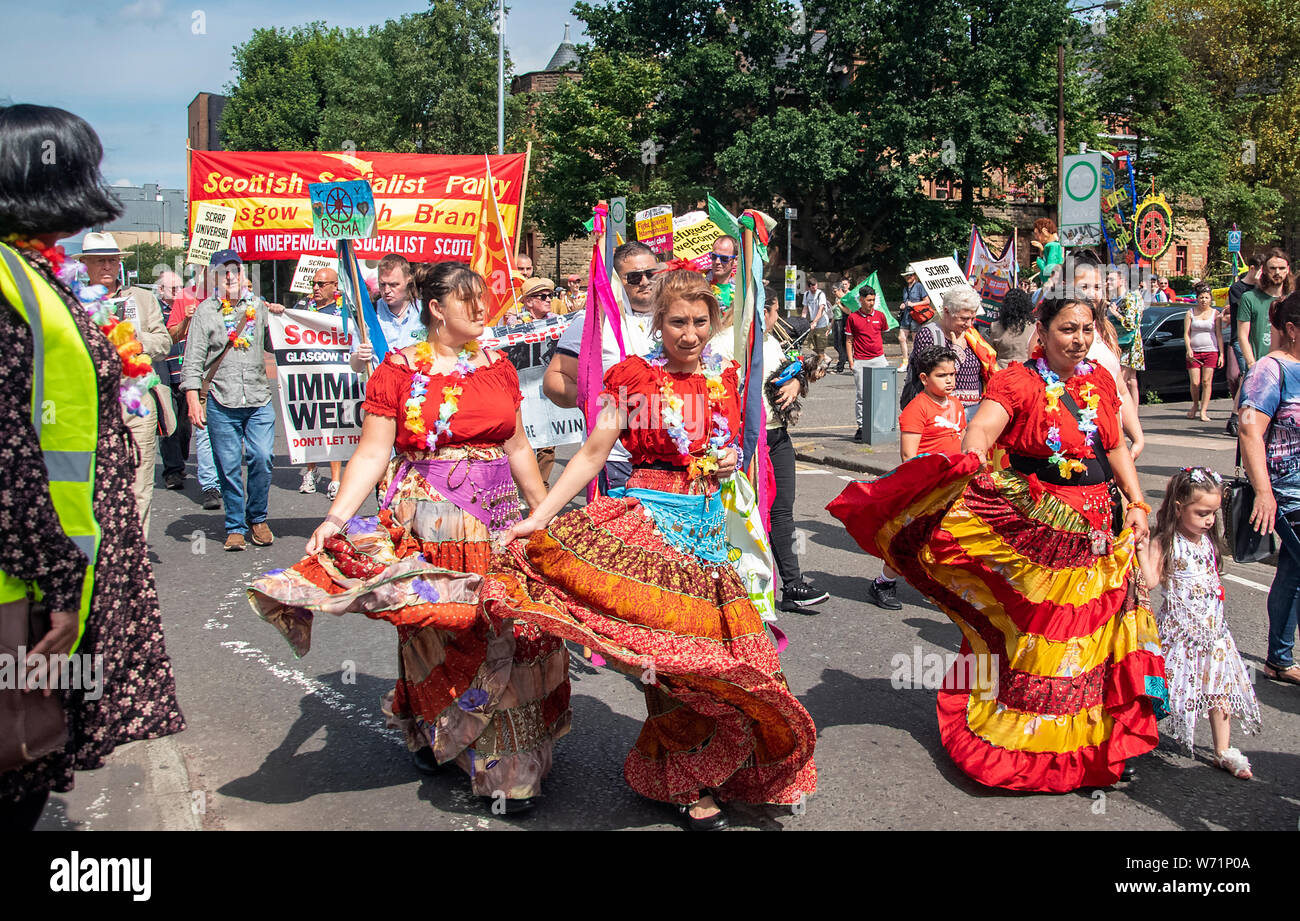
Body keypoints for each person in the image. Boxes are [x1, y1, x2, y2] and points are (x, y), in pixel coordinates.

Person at [484, 270, 818, 830]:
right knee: (668, 662)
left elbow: (731, 445)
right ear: (657, 323)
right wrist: (539, 518)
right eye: (677, 322)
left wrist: (732, 460)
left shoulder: (728, 377)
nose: (689, 334)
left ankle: (708, 765)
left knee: (727, 659)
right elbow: (592, 454)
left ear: (715, 323)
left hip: (710, 532)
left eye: (700, 322)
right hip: (650, 525)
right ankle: (691, 782)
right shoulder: (633, 379)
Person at [250, 261, 567, 810]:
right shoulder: (397, 371)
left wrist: (543, 516)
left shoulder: (499, 367)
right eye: (468, 299)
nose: (481, 306)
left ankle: (505, 770)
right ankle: (432, 728)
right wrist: (334, 519)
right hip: (429, 523)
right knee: (435, 631)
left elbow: (518, 447)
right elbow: (373, 452)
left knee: (507, 631)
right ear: (437, 308)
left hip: (494, 521)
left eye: (484, 296)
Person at [832, 291, 1167, 792]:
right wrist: (975, 467)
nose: (1078, 340)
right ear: (1043, 332)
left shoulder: (1099, 379)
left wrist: (1138, 503)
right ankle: (1034, 743)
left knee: (1096, 635)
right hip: (1045, 529)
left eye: (1086, 330)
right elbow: (981, 430)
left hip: (1101, 526)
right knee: (1046, 635)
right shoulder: (1018, 380)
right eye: (1067, 330)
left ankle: (1094, 741)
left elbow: (1114, 445)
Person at [0, 103, 184, 830]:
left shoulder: (32, 273)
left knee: (30, 758)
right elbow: (17, 455)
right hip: (31, 586)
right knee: (16, 756)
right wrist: (56, 583)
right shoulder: (15, 292)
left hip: (55, 570)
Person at [1138, 467, 1260, 778]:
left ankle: (1223, 750)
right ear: (1179, 506)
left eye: (1213, 514)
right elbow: (1150, 581)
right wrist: (1140, 549)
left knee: (1220, 690)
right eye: (1202, 512)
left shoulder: (1208, 542)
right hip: (1178, 634)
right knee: (1161, 689)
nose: (1208, 520)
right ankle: (1135, 737)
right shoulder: (1165, 542)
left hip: (1214, 634)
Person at [181, 249, 282, 552]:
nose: (229, 276)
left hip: (258, 397)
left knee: (262, 458)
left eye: (234, 270)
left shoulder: (259, 308)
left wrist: (284, 320)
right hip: (220, 399)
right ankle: (236, 525)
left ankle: (258, 518)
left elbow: (274, 345)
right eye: (222, 271)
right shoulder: (205, 312)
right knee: (228, 467)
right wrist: (192, 398)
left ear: (242, 274)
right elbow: (193, 359)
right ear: (213, 276)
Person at [78, 232, 174, 538]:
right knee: (95, 482)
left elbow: (164, 342)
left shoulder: (142, 299)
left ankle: (135, 551)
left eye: (112, 260)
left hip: (137, 399)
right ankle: (102, 549)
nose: (107, 266)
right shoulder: (74, 301)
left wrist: (137, 337)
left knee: (139, 483)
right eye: (99, 261)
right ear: (86, 266)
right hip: (90, 402)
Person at [544, 240, 659, 493]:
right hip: (614, 459)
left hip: (666, 458)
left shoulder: (676, 318)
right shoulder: (593, 320)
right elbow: (554, 380)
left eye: (651, 273)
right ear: (618, 281)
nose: (645, 281)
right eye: (634, 277)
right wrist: (604, 402)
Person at [866, 345, 964, 611]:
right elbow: (909, 457)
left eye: (952, 374)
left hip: (955, 486)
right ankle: (883, 583)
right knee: (909, 541)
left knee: (954, 540)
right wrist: (929, 486)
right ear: (924, 378)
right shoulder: (917, 409)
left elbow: (962, 442)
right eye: (942, 375)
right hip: (926, 490)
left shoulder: (956, 404)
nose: (950, 380)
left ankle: (948, 587)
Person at [1238, 290, 1300, 686]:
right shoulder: (1269, 370)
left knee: (1293, 572)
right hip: (1288, 493)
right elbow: (1249, 427)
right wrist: (1264, 491)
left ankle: (1279, 658)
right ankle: (1279, 656)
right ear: (1292, 329)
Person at [762, 292, 829, 613]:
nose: (775, 317)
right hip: (746, 439)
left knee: (782, 510)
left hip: (778, 435)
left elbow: (789, 375)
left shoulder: (772, 343)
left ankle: (792, 585)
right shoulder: (726, 341)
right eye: (775, 310)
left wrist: (797, 383)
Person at [901, 286, 996, 421]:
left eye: (972, 318)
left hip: (974, 410)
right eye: (963, 318)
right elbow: (930, 375)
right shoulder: (929, 334)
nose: (969, 324)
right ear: (947, 311)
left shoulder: (971, 335)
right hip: (942, 412)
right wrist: (957, 351)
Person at [293, 267, 347, 498]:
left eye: (321, 284)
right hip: (308, 374)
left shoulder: (344, 310)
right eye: (313, 283)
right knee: (310, 423)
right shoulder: (302, 308)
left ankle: (335, 479)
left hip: (335, 374)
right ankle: (311, 471)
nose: (315, 288)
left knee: (333, 424)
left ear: (335, 286)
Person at [350, 253, 425, 372]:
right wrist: (359, 357)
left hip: (415, 386)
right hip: (380, 386)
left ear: (408, 280)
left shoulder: (425, 312)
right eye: (382, 284)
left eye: (394, 284)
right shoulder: (369, 315)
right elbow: (355, 367)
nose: (387, 290)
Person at [157, 269, 192, 491]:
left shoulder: (187, 306)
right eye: (173, 288)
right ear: (161, 290)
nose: (179, 292)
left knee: (185, 426)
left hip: (185, 373)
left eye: (181, 287)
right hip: (165, 372)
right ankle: (172, 471)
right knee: (169, 425)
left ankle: (180, 460)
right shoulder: (156, 311)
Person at [843, 287, 891, 441]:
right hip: (861, 360)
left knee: (882, 394)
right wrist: (851, 361)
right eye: (869, 300)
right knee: (862, 395)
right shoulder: (853, 318)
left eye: (873, 300)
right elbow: (849, 341)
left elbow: (882, 333)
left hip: (879, 359)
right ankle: (862, 426)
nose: (872, 303)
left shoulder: (880, 316)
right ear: (861, 300)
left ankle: (878, 424)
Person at [1225, 254, 1262, 436]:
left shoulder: (1263, 290)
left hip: (1259, 338)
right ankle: (1236, 418)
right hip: (1240, 340)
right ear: (1253, 268)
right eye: (1262, 271)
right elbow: (1244, 313)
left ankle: (1244, 417)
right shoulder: (1238, 289)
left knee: (1250, 378)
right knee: (1250, 376)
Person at [1238, 248, 1292, 375]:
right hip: (1259, 367)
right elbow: (1242, 335)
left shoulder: (1292, 300)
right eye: (1272, 268)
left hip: (1288, 368)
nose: (1277, 272)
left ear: (1288, 270)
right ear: (1264, 270)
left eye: (1281, 268)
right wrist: (1252, 364)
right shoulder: (1249, 298)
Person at [1183, 281, 1224, 422]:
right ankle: (1195, 405)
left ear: (1210, 299)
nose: (1204, 300)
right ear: (1197, 298)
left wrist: (1221, 354)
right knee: (1195, 382)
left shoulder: (1215, 313)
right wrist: (1188, 349)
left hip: (1211, 350)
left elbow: (1219, 334)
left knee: (1207, 382)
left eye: (1206, 297)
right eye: (1201, 297)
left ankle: (1204, 410)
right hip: (1194, 351)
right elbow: (1186, 333)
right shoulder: (1190, 313)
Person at [1106, 266, 1145, 409]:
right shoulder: (1120, 298)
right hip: (1124, 342)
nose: (1107, 282)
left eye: (1111, 279)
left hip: (1128, 343)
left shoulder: (1129, 297)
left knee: (1121, 380)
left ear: (1121, 281)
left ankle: (1122, 413)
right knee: (1131, 380)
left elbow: (1130, 324)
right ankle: (1133, 412)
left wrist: (1115, 313)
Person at [986, 287, 1035, 369]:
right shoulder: (1033, 327)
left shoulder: (995, 326)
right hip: (1026, 371)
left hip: (1002, 371)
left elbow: (991, 352)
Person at [898, 266, 928, 369]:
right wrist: (904, 304)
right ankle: (905, 361)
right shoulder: (905, 289)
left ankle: (915, 361)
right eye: (907, 276)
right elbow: (906, 301)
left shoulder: (919, 286)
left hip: (915, 316)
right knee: (902, 338)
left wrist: (913, 304)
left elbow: (927, 301)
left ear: (914, 276)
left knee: (916, 339)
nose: (908, 277)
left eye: (910, 275)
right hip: (906, 315)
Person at [802, 275, 831, 365]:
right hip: (812, 323)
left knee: (820, 346)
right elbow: (805, 308)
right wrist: (802, 320)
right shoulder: (806, 294)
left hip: (821, 323)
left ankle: (821, 364)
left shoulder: (820, 294)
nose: (814, 288)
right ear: (809, 286)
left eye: (815, 285)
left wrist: (815, 322)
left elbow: (821, 309)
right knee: (807, 342)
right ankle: (826, 358)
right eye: (812, 286)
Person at [706, 234, 738, 314]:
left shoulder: (740, 290)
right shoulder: (701, 285)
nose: (717, 262)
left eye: (724, 258)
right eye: (714, 256)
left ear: (735, 261)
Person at [1030, 218, 1063, 286]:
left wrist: (1039, 262)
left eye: (1037, 234)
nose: (1036, 237)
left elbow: (1049, 271)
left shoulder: (1052, 246)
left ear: (1044, 231)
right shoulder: (1055, 245)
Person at [831, 278, 850, 373]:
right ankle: (845, 358)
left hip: (844, 322)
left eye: (835, 291)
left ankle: (841, 365)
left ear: (839, 290)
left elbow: (849, 311)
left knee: (841, 344)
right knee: (837, 344)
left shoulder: (845, 298)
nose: (834, 293)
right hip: (837, 322)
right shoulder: (837, 299)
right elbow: (835, 314)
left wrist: (840, 305)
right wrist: (830, 326)